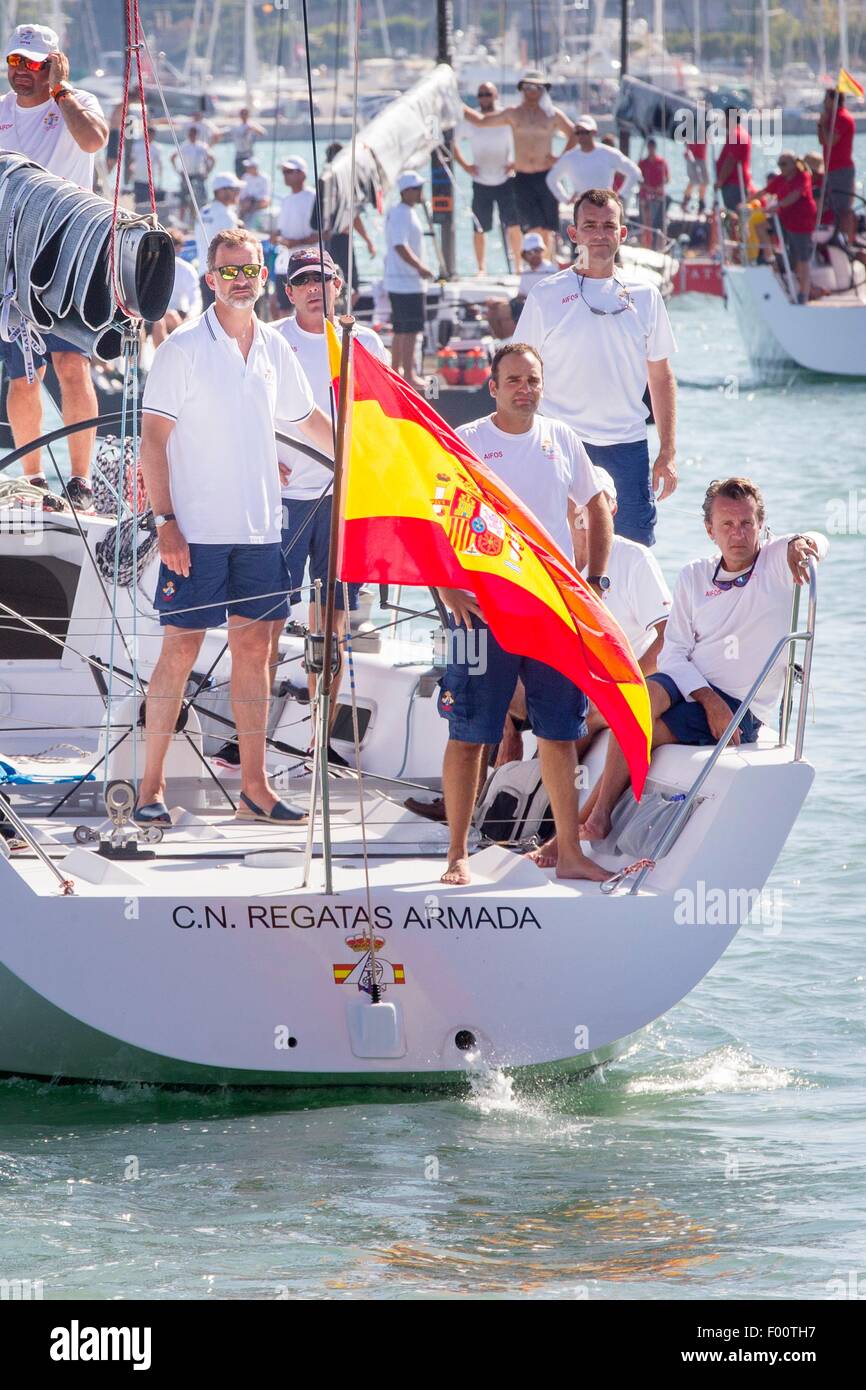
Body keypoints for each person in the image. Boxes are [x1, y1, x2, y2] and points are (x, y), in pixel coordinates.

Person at [137, 228, 335, 827]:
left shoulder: (276, 350)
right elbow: (152, 441)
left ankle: (256, 787)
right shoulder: (183, 349)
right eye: (229, 271)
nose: (240, 279)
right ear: (210, 277)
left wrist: (360, 461)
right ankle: (149, 789)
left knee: (257, 653)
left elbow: (308, 421)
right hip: (194, 533)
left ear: (263, 274)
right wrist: (165, 522)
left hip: (260, 532)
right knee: (181, 652)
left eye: (250, 269)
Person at [434, 342, 614, 886]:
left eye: (532, 380)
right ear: (493, 387)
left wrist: (595, 581)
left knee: (559, 733)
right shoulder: (467, 443)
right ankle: (458, 855)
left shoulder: (563, 439)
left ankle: (570, 854)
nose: (524, 389)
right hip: (479, 617)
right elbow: (438, 519)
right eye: (513, 380)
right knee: (469, 735)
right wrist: (448, 591)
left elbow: (596, 506)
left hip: (551, 614)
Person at [577, 477, 828, 844]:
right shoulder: (695, 574)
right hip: (690, 682)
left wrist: (803, 544)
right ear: (710, 530)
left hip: (739, 700)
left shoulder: (776, 561)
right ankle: (583, 825)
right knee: (636, 705)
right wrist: (706, 700)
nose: (738, 533)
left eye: (747, 523)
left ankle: (590, 821)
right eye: (727, 524)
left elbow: (820, 540)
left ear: (761, 525)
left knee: (653, 734)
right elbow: (673, 651)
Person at [260, 248, 388, 757]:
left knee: (331, 624)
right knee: (266, 620)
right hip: (284, 499)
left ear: (339, 286)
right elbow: (244, 409)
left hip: (341, 500)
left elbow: (381, 417)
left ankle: (319, 740)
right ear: (289, 292)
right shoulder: (270, 339)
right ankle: (257, 737)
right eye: (304, 280)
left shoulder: (364, 340)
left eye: (324, 278)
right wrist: (262, 459)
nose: (315, 288)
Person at [514, 188, 677, 548]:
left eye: (609, 226)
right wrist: (516, 443)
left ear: (622, 234)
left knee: (632, 551)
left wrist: (667, 451)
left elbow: (661, 376)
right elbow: (519, 373)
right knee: (558, 552)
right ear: (573, 234)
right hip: (560, 444)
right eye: (590, 225)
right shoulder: (546, 295)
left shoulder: (646, 295)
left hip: (628, 446)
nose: (600, 234)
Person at [529, 466, 671, 866]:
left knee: (578, 723)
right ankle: (506, 814)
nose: (585, 511)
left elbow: (666, 639)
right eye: (577, 501)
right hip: (581, 681)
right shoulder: (555, 560)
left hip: (633, 678)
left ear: (613, 507)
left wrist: (613, 683)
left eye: (597, 502)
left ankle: (571, 833)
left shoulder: (633, 557)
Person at [0, 22, 109, 508]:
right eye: (15, 62)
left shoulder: (76, 101)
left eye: (34, 64)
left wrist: (61, 90)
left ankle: (80, 479)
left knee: (70, 363)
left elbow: (93, 142)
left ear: (55, 65)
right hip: (12, 256)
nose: (23, 73)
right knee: (24, 373)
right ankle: (34, 480)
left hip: (70, 252)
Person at [461, 69, 575, 258]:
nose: (532, 91)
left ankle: (547, 265)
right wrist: (458, 105)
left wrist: (559, 157)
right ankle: (533, 265)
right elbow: (481, 121)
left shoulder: (551, 114)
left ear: (543, 90)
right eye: (527, 87)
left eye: (536, 87)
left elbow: (573, 133)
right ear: (522, 89)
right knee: (530, 226)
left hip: (546, 174)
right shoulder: (513, 113)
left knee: (548, 227)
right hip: (522, 176)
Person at [452, 82, 522, 274]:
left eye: (488, 94)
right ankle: (481, 268)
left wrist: (516, 162)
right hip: (481, 180)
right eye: (481, 94)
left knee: (513, 224)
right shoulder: (471, 119)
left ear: (495, 95)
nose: (484, 98)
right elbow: (452, 142)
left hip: (506, 179)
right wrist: (466, 166)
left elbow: (524, 137)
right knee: (479, 227)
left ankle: (518, 266)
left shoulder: (506, 117)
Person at [384, 170, 433, 394]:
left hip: (404, 282)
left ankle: (398, 372)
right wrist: (421, 268)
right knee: (408, 330)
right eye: (417, 188)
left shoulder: (404, 212)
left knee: (405, 329)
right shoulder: (402, 214)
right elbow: (400, 246)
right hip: (405, 282)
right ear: (406, 191)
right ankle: (407, 375)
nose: (421, 192)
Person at [747, 152, 817, 304]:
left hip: (801, 223)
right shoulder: (781, 179)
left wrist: (778, 205)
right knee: (761, 226)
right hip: (784, 219)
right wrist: (747, 201)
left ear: (793, 164)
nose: (781, 168)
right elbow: (765, 191)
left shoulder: (802, 176)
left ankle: (803, 292)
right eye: (779, 165)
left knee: (802, 257)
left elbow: (795, 195)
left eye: (784, 164)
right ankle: (771, 260)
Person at [321, 142, 376, 306]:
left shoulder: (325, 182)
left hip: (327, 241)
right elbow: (353, 217)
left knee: (331, 282)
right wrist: (368, 241)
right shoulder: (343, 183)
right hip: (342, 239)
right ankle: (343, 318)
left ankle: (334, 314)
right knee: (353, 287)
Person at [546, 115, 642, 208]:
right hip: (582, 209)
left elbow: (634, 172)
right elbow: (551, 179)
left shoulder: (608, 153)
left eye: (584, 132)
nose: (581, 135)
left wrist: (621, 195)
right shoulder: (569, 157)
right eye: (578, 132)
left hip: (606, 206)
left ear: (594, 132)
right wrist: (565, 199)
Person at [272, 156, 317, 317]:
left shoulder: (313, 197)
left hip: (307, 264)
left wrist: (297, 242)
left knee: (308, 308)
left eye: (289, 171)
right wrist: (275, 236)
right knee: (281, 307)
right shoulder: (286, 200)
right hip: (285, 262)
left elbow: (323, 234)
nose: (285, 175)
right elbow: (279, 231)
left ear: (303, 174)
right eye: (284, 172)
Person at [195, 172, 241, 310]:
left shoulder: (203, 211)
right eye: (235, 189)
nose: (238, 193)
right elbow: (233, 248)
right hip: (223, 275)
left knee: (209, 314)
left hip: (204, 272)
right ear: (222, 191)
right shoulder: (227, 215)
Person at [817, 89, 857, 243]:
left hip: (842, 169)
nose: (823, 103)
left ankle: (848, 241)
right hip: (830, 168)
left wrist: (823, 124)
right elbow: (822, 140)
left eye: (826, 100)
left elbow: (830, 140)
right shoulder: (830, 119)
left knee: (843, 208)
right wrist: (820, 125)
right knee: (833, 206)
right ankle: (836, 238)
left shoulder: (842, 118)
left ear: (834, 101)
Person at [151, 230, 201, 347]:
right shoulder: (150, 268)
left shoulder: (187, 270)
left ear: (179, 248)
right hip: (152, 315)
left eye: (173, 244)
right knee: (158, 322)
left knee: (170, 317)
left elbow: (195, 299)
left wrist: (190, 317)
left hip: (179, 315)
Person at [715, 107, 753, 212]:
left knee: (735, 216)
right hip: (735, 184)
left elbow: (730, 161)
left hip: (734, 184)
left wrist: (720, 181)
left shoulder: (736, 135)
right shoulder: (739, 133)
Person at [172, 124, 214, 216]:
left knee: (201, 198)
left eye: (194, 134)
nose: (192, 136)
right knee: (183, 198)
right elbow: (173, 157)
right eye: (191, 134)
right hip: (186, 175)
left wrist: (208, 172)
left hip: (198, 175)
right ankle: (181, 218)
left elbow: (212, 159)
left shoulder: (202, 147)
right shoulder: (184, 146)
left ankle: (201, 217)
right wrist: (177, 170)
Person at [637, 138, 669, 245]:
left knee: (659, 223)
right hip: (645, 196)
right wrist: (648, 188)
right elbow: (639, 180)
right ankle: (645, 245)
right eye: (649, 147)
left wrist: (659, 187)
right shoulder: (642, 163)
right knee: (645, 222)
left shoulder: (662, 162)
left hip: (659, 197)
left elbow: (667, 178)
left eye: (652, 147)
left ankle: (659, 245)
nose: (651, 149)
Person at [130, 120, 165, 209]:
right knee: (137, 202)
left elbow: (160, 165)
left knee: (147, 203)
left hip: (149, 180)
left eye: (152, 134)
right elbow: (132, 161)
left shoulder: (157, 148)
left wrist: (160, 182)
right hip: (138, 177)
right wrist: (131, 173)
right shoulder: (137, 146)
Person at [228, 105, 266, 178]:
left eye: (245, 114)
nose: (244, 116)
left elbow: (263, 133)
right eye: (242, 113)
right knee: (239, 176)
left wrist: (253, 129)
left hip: (249, 155)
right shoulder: (236, 126)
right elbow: (227, 132)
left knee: (250, 176)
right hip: (239, 155)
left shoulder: (252, 124)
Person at [238, 155, 271, 230]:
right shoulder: (245, 176)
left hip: (260, 201)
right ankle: (241, 223)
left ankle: (246, 223)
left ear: (255, 167)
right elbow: (242, 193)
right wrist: (245, 200)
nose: (247, 168)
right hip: (248, 201)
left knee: (264, 202)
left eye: (249, 167)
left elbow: (266, 194)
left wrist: (254, 200)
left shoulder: (265, 178)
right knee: (245, 203)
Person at [683, 136, 709, 213]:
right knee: (694, 180)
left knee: (704, 181)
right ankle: (685, 202)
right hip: (692, 156)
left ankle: (701, 202)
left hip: (701, 157)